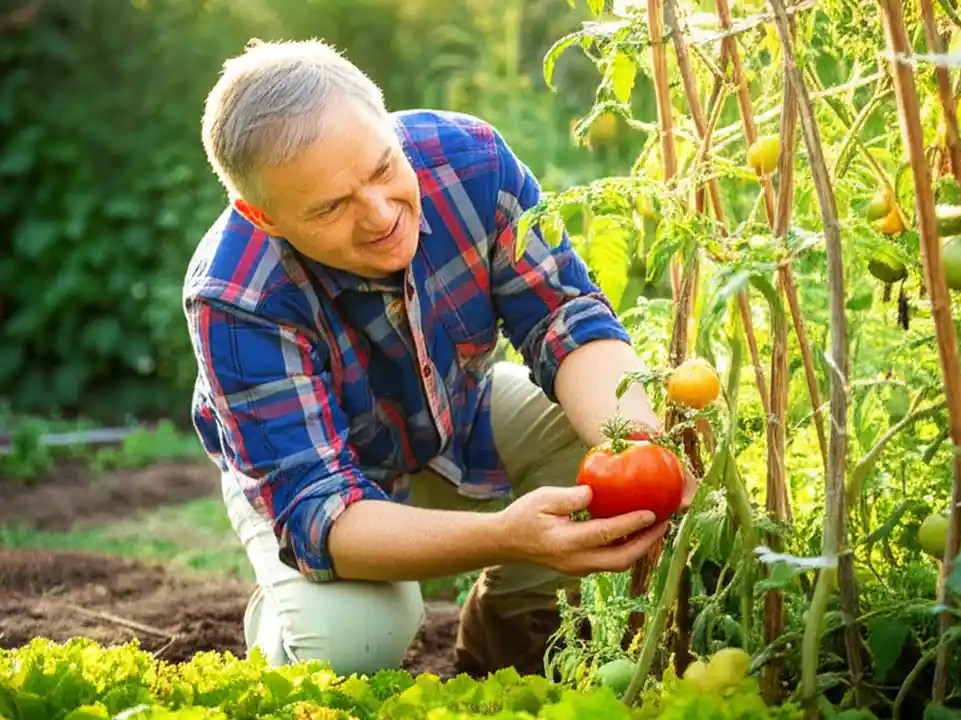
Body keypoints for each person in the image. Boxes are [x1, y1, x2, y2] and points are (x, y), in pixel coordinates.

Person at [183, 38, 693, 679]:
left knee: (596, 424)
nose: (379, 216)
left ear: (385, 122)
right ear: (263, 215)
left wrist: (640, 449)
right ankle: (284, 629)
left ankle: (512, 621)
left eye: (381, 169)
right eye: (332, 207)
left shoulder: (470, 163)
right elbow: (321, 508)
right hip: (320, 478)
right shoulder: (236, 298)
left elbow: (565, 319)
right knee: (354, 645)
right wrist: (508, 534)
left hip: (457, 412)